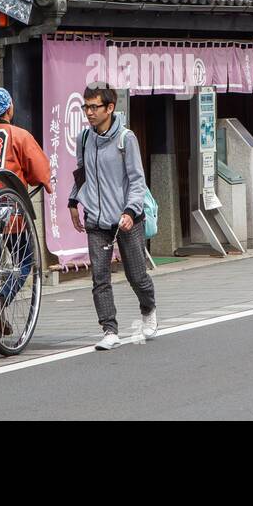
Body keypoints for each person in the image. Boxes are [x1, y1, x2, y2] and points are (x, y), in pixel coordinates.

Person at [68, 84, 157, 350]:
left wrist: (130, 211)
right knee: (100, 277)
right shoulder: (84, 138)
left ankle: (149, 308)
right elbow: (81, 173)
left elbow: (137, 181)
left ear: (110, 108)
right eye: (86, 106)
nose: (89, 112)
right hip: (96, 219)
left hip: (126, 219)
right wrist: (73, 202)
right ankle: (109, 329)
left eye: (94, 107)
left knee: (137, 275)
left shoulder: (125, 138)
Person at [0, 88, 52, 336]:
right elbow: (39, 172)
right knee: (25, 260)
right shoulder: (19, 135)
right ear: (9, 109)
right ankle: (1, 299)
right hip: (11, 214)